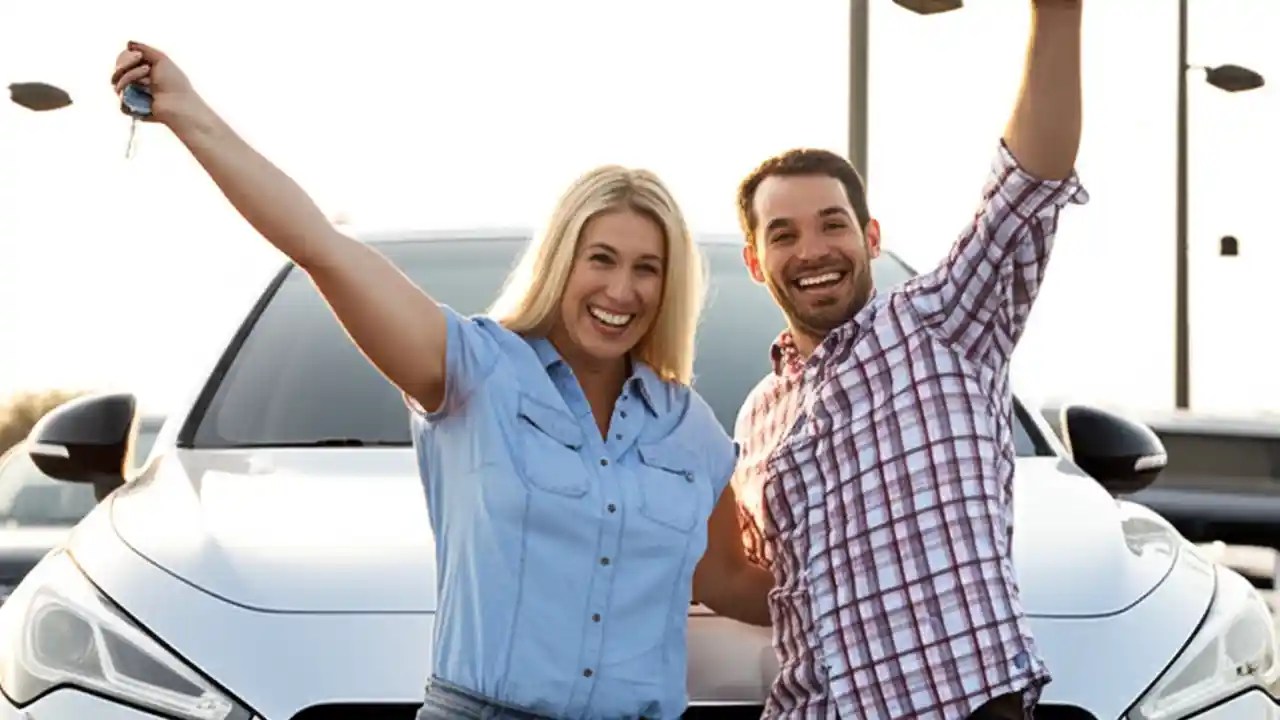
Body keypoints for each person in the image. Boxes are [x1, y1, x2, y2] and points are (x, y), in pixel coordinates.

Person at [110, 42, 773, 720]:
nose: (621, 290)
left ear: (670, 286)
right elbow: (320, 246)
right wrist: (190, 114)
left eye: (646, 269)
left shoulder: (688, 428)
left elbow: (725, 581)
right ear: (561, 262)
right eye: (599, 259)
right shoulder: (475, 371)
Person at [729, 2, 1087, 719]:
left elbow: (1024, 191)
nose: (813, 251)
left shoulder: (944, 322)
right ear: (756, 263)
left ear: (870, 236)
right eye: (784, 234)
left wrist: (1056, 14)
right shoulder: (756, 418)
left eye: (833, 224)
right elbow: (760, 583)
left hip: (958, 705)